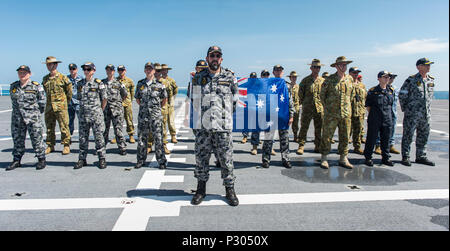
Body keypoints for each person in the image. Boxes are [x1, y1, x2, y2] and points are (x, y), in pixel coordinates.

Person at [190, 46, 239, 206]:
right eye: (212, 55)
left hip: (223, 127)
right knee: (202, 159)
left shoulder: (229, 77)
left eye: (218, 56)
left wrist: (223, 117)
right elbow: (195, 101)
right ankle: (200, 189)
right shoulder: (198, 78)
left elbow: (234, 101)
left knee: (226, 160)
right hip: (203, 128)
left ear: (221, 59)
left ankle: (229, 190)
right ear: (207, 58)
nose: (215, 58)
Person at [7, 65, 47, 171]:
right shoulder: (13, 87)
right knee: (17, 140)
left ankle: (41, 159)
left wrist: (35, 114)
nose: (22, 74)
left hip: (33, 118)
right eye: (20, 72)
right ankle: (16, 160)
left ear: (29, 74)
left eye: (24, 72)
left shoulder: (36, 86)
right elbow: (14, 102)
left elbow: (42, 102)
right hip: (17, 119)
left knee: (37, 139)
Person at [398, 58, 436, 166]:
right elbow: (402, 94)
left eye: (429, 65)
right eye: (426, 65)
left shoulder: (431, 80)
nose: (428, 67)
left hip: (425, 114)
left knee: (424, 135)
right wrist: (407, 109)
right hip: (412, 114)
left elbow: (429, 96)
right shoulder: (411, 80)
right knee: (408, 135)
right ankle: (405, 156)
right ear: (419, 67)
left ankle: (421, 156)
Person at [320, 56, 355, 169]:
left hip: (345, 113)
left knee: (345, 136)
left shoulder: (350, 79)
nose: (344, 66)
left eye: (345, 65)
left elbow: (352, 94)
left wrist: (347, 107)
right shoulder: (329, 80)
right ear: (336, 66)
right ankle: (324, 157)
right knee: (327, 136)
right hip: (331, 114)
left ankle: (343, 158)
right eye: (341, 64)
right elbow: (322, 96)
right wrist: (328, 108)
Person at [74, 62, 108, 169]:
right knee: (83, 139)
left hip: (96, 115)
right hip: (83, 116)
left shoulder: (99, 83)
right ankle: (82, 159)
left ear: (93, 71)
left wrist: (99, 110)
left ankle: (102, 159)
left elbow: (104, 99)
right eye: (84, 69)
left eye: (88, 69)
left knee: (99, 138)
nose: (86, 71)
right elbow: (79, 98)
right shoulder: (80, 84)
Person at [134, 62, 168, 169]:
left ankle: (161, 161)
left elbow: (164, 100)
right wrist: (145, 108)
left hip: (155, 116)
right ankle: (140, 160)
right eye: (147, 69)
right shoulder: (140, 84)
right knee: (141, 139)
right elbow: (138, 99)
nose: (149, 71)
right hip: (143, 116)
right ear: (145, 71)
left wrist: (155, 109)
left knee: (158, 139)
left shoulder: (159, 85)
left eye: (151, 69)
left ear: (154, 71)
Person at [261, 65, 294, 169]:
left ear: (282, 72)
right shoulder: (268, 84)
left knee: (284, 139)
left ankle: (286, 159)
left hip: (283, 115)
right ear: (273, 72)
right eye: (276, 70)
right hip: (271, 115)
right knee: (268, 138)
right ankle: (266, 159)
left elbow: (290, 101)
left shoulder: (286, 85)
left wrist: (291, 115)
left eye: (280, 70)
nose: (278, 72)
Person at [42, 56, 72, 155]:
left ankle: (66, 145)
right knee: (49, 127)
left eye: (50, 64)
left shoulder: (63, 78)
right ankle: (50, 145)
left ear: (56, 65)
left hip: (61, 107)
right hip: (49, 107)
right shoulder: (45, 79)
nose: (48, 66)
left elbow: (69, 93)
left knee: (64, 126)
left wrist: (64, 103)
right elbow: (45, 92)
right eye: (47, 64)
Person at [363, 71, 395, 166]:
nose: (386, 79)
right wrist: (375, 115)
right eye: (384, 77)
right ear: (379, 78)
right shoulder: (373, 91)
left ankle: (385, 157)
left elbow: (391, 104)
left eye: (388, 77)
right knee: (371, 139)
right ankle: (368, 157)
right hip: (375, 119)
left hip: (387, 119)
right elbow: (368, 106)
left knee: (386, 139)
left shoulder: (391, 90)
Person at [297, 59, 325, 155]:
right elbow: (300, 94)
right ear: (311, 68)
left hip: (319, 108)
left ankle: (318, 145)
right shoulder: (305, 80)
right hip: (307, 108)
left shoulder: (323, 81)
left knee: (319, 128)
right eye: (315, 67)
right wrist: (300, 104)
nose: (317, 69)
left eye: (318, 67)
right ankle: (301, 145)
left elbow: (326, 95)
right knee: (304, 127)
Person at [102, 64, 127, 155]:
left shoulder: (119, 83)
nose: (109, 72)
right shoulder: (101, 83)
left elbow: (124, 95)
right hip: (105, 110)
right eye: (108, 70)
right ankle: (102, 147)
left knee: (118, 129)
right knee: (104, 129)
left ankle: (122, 147)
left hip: (117, 110)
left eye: (111, 70)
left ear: (114, 71)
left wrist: (117, 103)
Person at [374, 73, 400, 155]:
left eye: (393, 78)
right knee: (379, 130)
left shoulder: (394, 89)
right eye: (390, 77)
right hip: (382, 113)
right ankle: (378, 145)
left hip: (392, 113)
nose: (391, 79)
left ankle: (390, 145)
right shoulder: (379, 88)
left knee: (392, 129)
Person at [349, 67, 366, 155]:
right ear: (350, 73)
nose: (355, 74)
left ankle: (357, 147)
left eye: (357, 73)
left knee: (358, 130)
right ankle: (343, 148)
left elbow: (365, 98)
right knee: (346, 131)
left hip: (359, 111)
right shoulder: (347, 84)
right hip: (348, 111)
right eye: (354, 73)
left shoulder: (362, 85)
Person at [116, 65, 136, 144]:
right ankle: (117, 136)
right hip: (118, 103)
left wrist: (129, 101)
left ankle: (131, 135)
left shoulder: (129, 81)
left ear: (125, 71)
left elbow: (132, 92)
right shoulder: (115, 80)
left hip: (127, 103)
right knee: (117, 121)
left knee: (129, 120)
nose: (121, 71)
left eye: (122, 70)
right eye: (119, 70)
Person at [161, 64, 179, 144]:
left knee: (171, 120)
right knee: (163, 121)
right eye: (163, 70)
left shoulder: (171, 80)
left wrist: (171, 98)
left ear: (167, 71)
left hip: (170, 101)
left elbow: (175, 89)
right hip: (162, 102)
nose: (164, 71)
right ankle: (164, 138)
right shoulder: (159, 80)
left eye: (165, 70)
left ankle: (173, 136)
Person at [240, 72, 257, 144]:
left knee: (255, 124)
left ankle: (256, 138)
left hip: (256, 107)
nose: (253, 79)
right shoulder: (246, 85)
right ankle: (245, 137)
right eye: (252, 77)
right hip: (247, 106)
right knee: (246, 123)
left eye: (254, 77)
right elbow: (242, 96)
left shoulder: (258, 86)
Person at [67, 63, 82, 137]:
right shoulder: (66, 79)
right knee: (69, 121)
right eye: (70, 69)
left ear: (77, 69)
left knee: (81, 120)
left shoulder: (81, 79)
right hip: (69, 103)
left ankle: (82, 136)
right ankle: (69, 136)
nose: (72, 70)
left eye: (74, 69)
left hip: (78, 102)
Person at [287, 71, 300, 143]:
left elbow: (301, 96)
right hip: (288, 107)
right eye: (293, 77)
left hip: (296, 107)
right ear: (290, 78)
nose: (294, 78)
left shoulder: (299, 87)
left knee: (296, 123)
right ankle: (285, 136)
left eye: (295, 77)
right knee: (287, 122)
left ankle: (295, 136)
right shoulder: (288, 86)